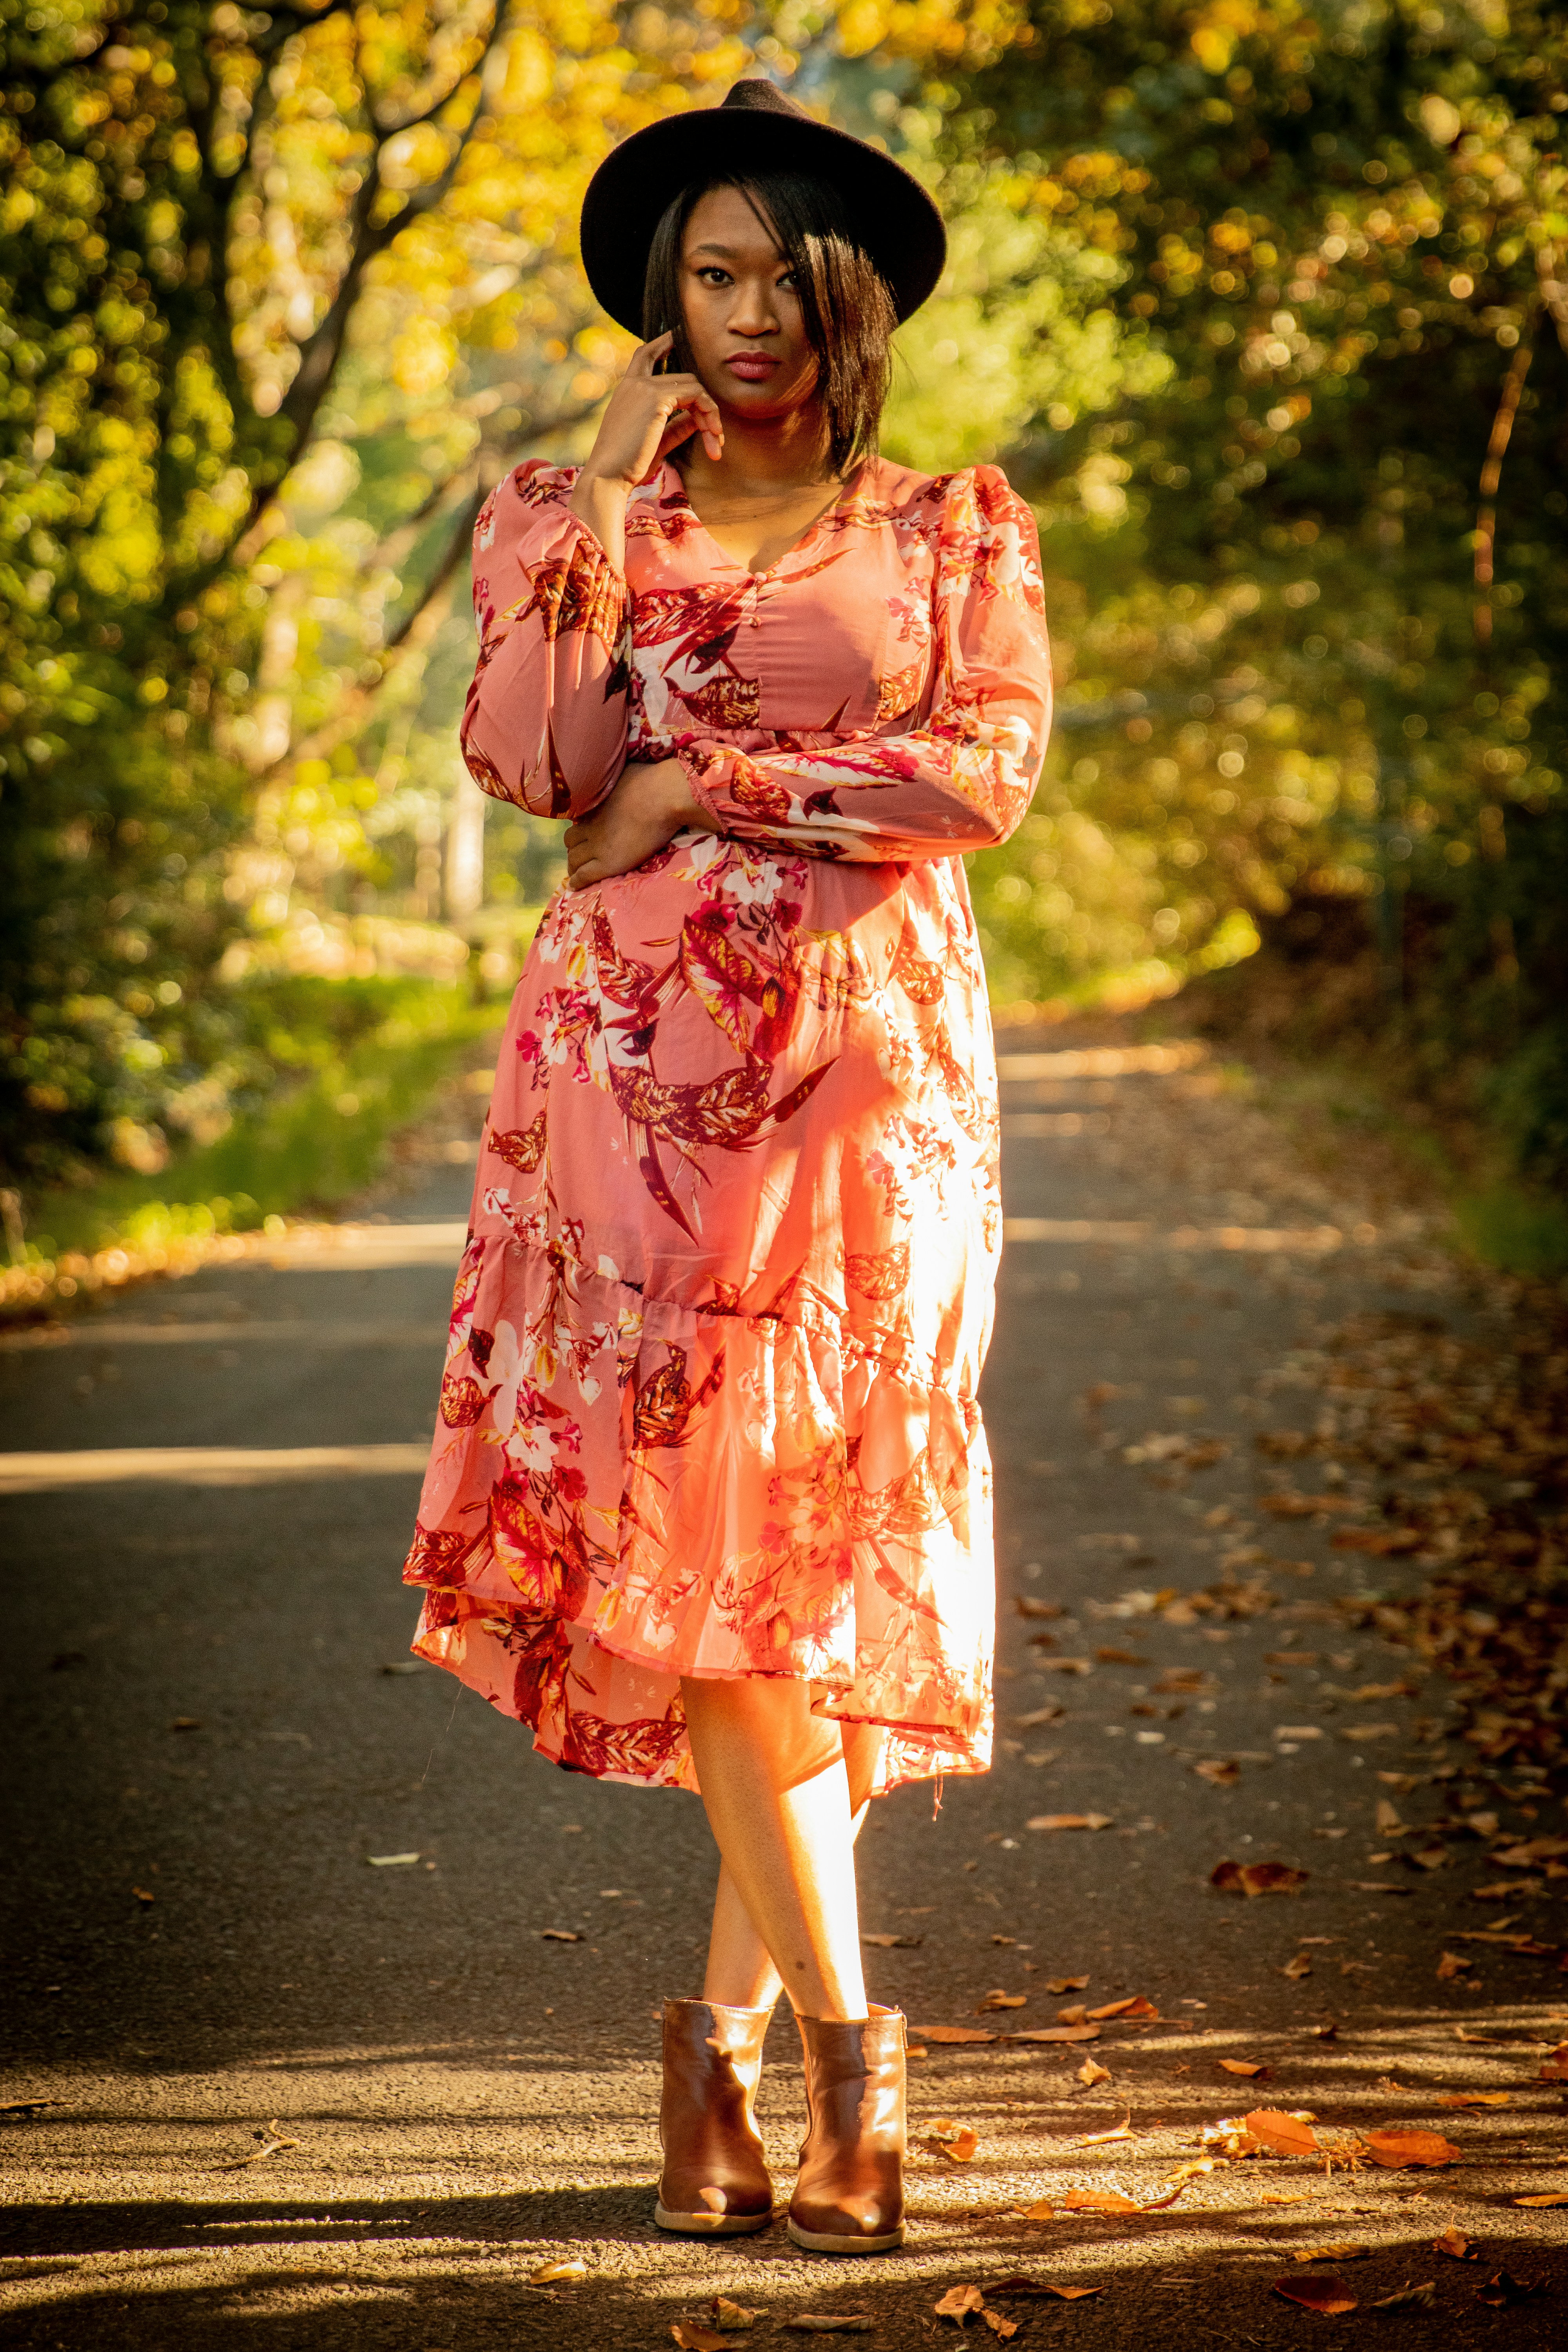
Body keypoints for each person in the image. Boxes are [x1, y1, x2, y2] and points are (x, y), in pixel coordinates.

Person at [401, 77, 1052, 2255]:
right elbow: (536, 759)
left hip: (875, 1084)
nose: (749, 312)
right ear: (661, 299)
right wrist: (592, 506)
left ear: (853, 291)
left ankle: (713, 2089)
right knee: (711, 1538)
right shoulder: (564, 515)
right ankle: (858, 2087)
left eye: (785, 271)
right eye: (710, 272)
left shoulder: (953, 524)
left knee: (808, 1552)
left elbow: (978, 772)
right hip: (630, 1085)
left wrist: (707, 798)